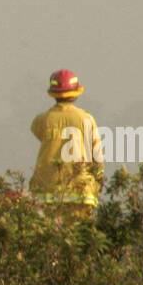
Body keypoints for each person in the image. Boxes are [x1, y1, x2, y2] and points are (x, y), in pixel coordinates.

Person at [30, 69, 104, 219]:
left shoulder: (42, 120)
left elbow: (37, 132)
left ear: (53, 93)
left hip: (47, 191)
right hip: (82, 192)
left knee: (49, 238)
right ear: (76, 92)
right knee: (78, 239)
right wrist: (97, 183)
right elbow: (98, 158)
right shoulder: (86, 119)